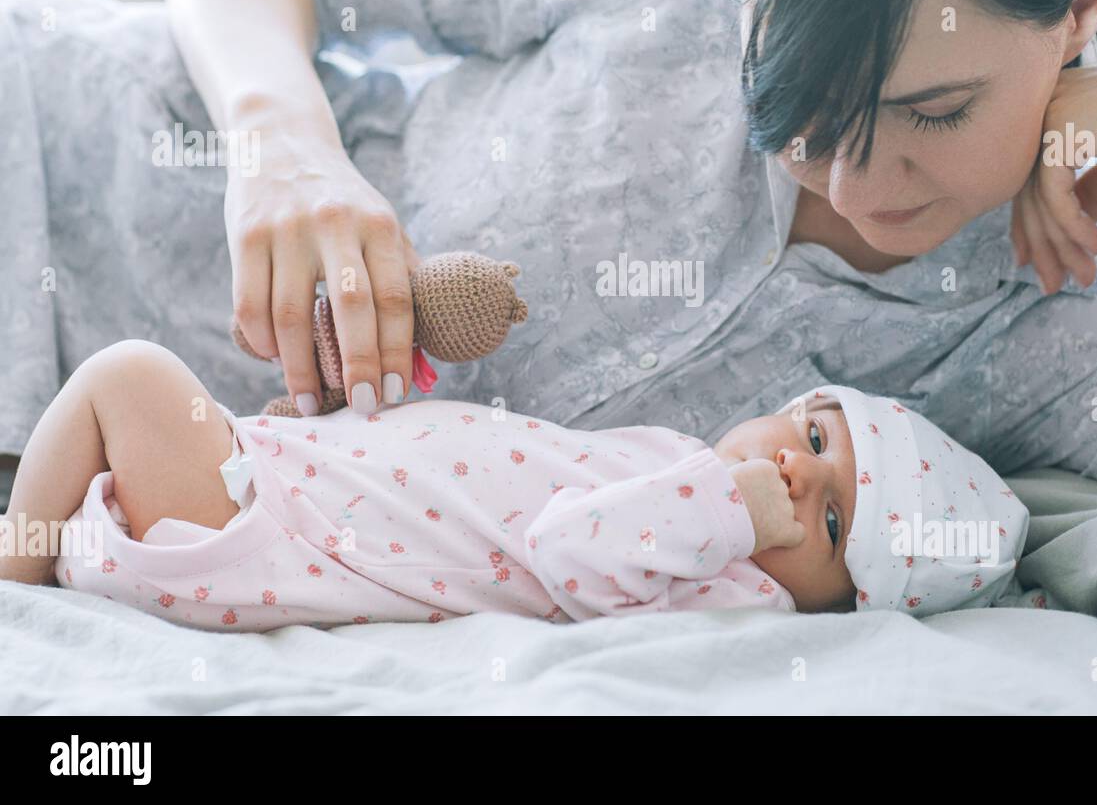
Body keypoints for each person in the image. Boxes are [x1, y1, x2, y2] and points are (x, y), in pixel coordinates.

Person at [2, 0, 1097, 506]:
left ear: (1081, 6)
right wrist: (282, 147)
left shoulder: (1060, 326)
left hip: (78, 470)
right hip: (52, 139)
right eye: (789, 104)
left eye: (930, 113)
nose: (850, 181)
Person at [0, 339, 1031, 629]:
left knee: (124, 378)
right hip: (295, 481)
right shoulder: (679, 458)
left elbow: (570, 549)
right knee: (123, 413)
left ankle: (13, 588)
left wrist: (729, 508)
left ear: (840, 601)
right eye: (812, 431)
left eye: (833, 513)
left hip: (279, 530)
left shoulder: (735, 584)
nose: (794, 473)